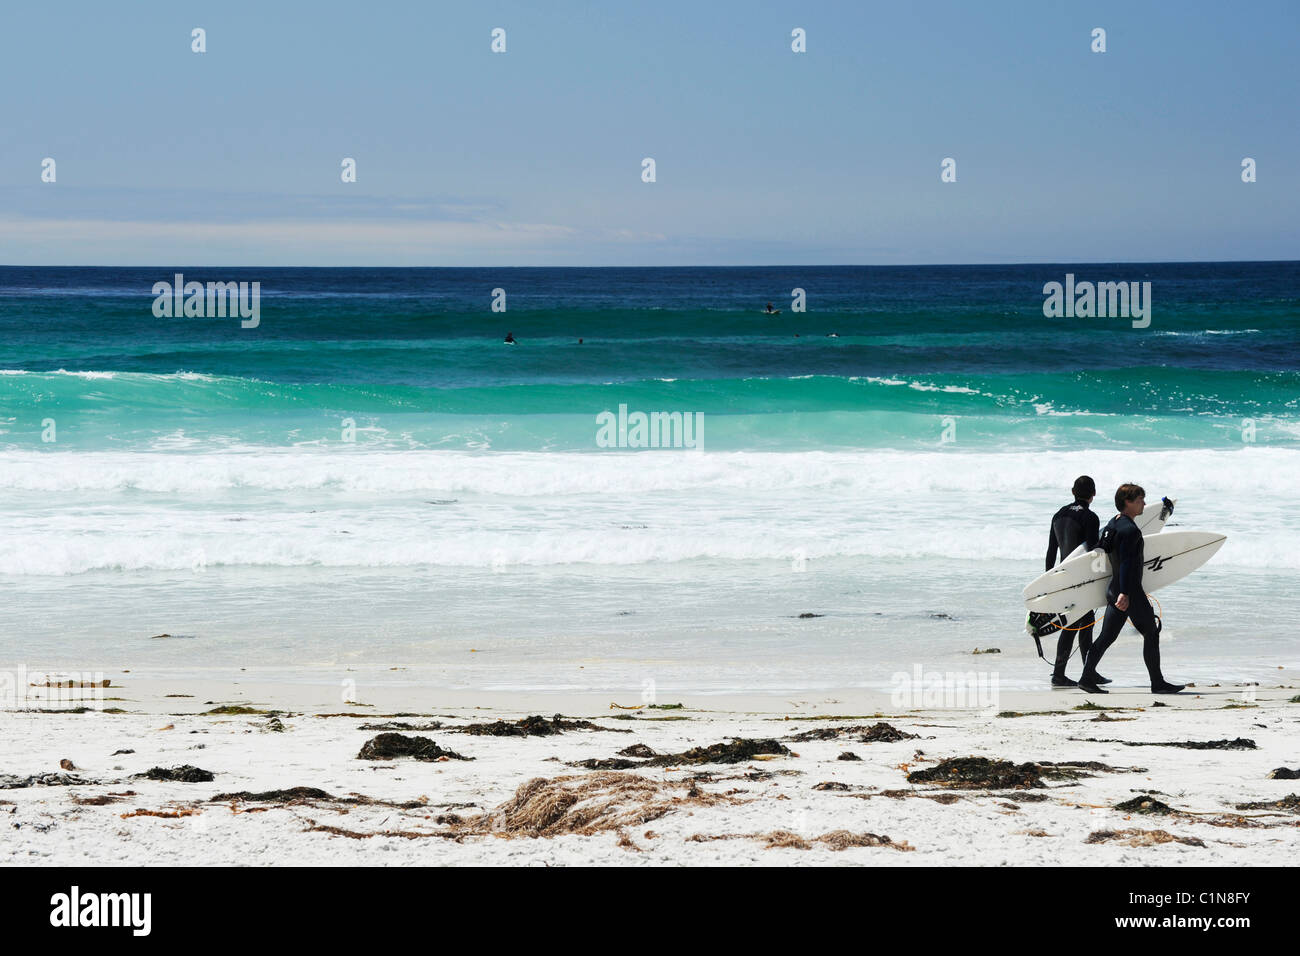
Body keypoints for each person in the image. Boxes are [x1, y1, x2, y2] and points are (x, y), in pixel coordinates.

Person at [1077, 483, 1186, 695]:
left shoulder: (1113, 524)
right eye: (1139, 500)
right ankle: (1158, 683)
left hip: (1115, 588)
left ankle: (1086, 678)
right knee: (1151, 632)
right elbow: (1127, 562)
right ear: (1128, 502)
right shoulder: (1130, 531)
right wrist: (1125, 593)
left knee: (1107, 637)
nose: (1144, 503)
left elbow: (1102, 549)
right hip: (1129, 591)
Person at [1042, 476, 1106, 687]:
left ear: (1072, 492)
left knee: (1082, 622)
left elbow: (1051, 551)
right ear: (1093, 494)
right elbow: (1092, 552)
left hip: (1062, 576)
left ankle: (1086, 672)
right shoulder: (1090, 517)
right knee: (1076, 624)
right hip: (1082, 577)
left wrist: (1049, 582)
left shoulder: (1058, 514)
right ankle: (1062, 674)